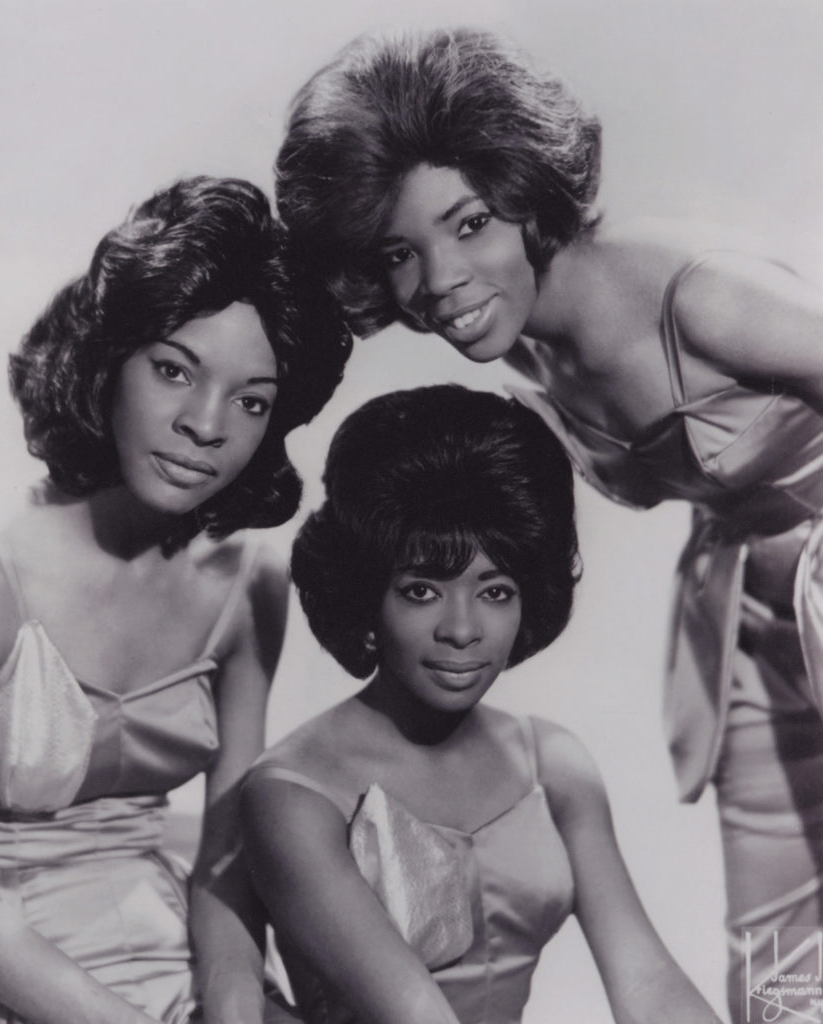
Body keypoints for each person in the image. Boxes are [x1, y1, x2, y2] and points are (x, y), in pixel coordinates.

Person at [274, 27, 823, 1021]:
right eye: (400, 251)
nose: (440, 279)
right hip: (741, 615)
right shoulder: (527, 358)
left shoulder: (694, 295)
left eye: (470, 222)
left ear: (529, 193)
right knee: (784, 955)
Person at [0, 175, 350, 1024]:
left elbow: (226, 862)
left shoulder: (248, 582)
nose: (206, 425)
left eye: (251, 401)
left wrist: (236, 1009)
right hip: (29, 986)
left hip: (187, 962)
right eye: (173, 370)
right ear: (109, 361)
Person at [238, 385, 722, 1024]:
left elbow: (647, 979)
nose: (462, 630)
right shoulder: (292, 794)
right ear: (365, 597)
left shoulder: (552, 764)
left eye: (495, 592)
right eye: (421, 590)